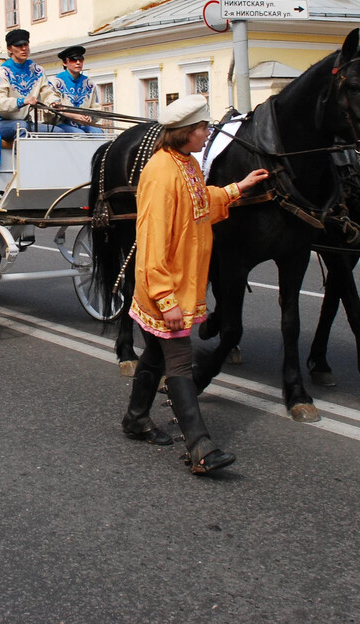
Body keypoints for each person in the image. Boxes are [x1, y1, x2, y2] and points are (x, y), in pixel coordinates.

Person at [121, 95, 268, 475]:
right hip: (165, 288)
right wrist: (165, 298)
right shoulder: (159, 172)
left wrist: (240, 188)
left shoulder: (186, 165)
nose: (208, 133)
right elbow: (151, 238)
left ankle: (136, 419)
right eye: (204, 128)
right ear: (186, 132)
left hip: (181, 286)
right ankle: (200, 448)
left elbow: (202, 202)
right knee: (180, 362)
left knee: (155, 354)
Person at [0, 28, 58, 143]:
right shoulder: (1, 72)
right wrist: (23, 101)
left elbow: (47, 92)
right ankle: (23, 160)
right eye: (18, 46)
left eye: (26, 44)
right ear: (9, 49)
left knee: (58, 132)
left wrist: (54, 102)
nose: (24, 48)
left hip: (26, 122)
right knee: (22, 128)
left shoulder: (37, 71)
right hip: (1, 122)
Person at [48, 44, 104, 133]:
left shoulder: (89, 83)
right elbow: (53, 108)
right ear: (65, 63)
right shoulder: (55, 82)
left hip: (84, 124)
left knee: (98, 132)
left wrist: (89, 116)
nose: (78, 62)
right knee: (79, 134)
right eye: (73, 59)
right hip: (61, 124)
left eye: (80, 59)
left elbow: (96, 107)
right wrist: (74, 116)